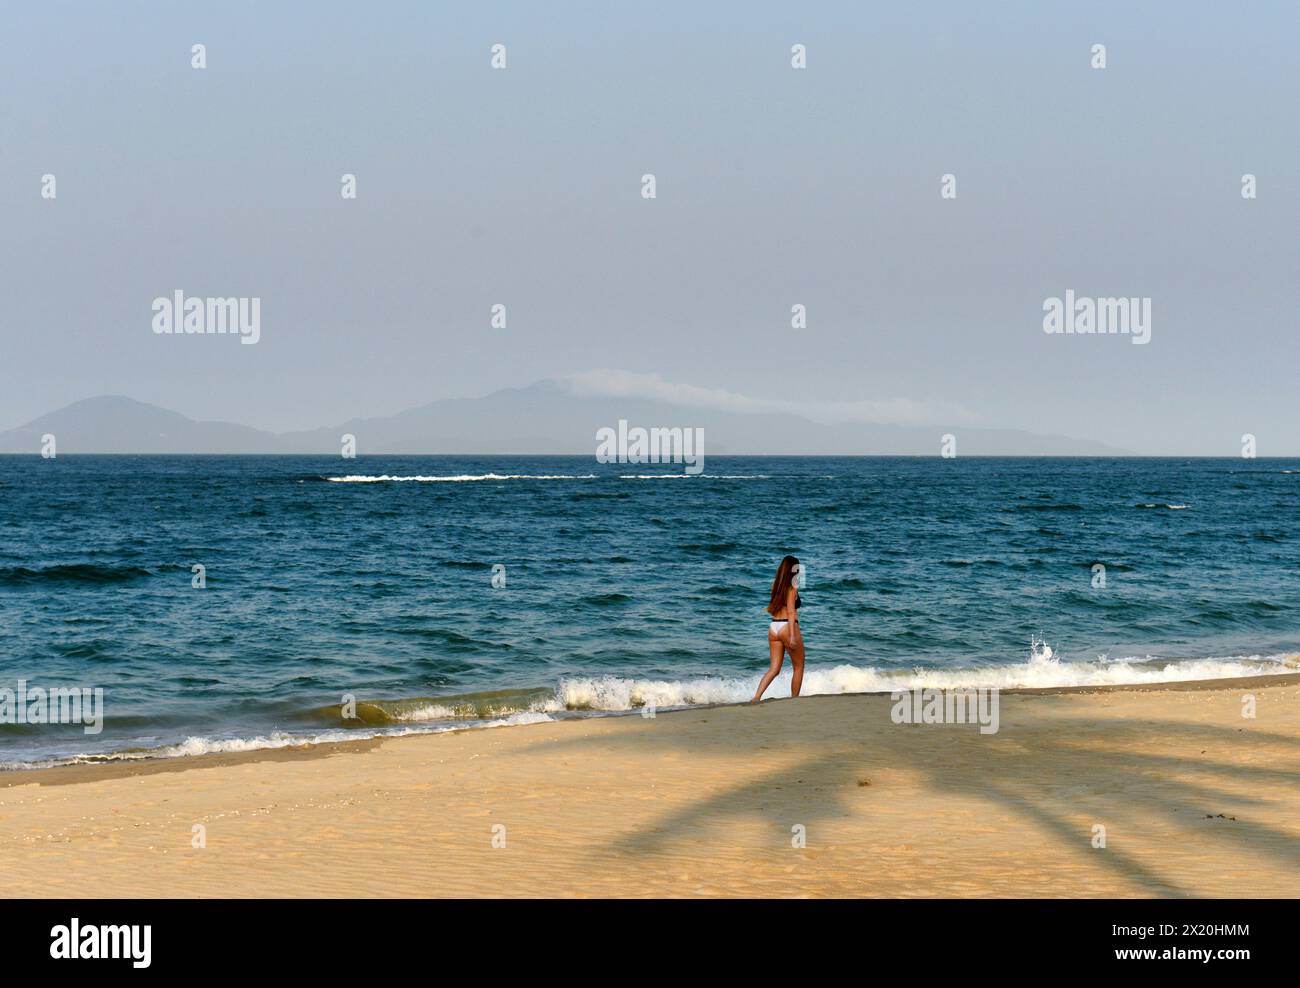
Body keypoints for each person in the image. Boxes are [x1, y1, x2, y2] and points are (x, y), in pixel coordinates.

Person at [751, 555, 805, 703]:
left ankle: (756, 697)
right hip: (788, 626)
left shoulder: (775, 586)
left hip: (774, 626)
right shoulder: (792, 587)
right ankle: (794, 700)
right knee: (798, 667)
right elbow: (791, 611)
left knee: (774, 669)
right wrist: (793, 636)